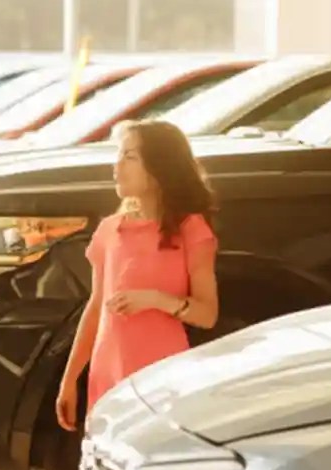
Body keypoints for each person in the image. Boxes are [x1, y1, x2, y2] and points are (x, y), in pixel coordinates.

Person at [55, 120, 219, 430]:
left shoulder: (191, 231)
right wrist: (70, 378)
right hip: (108, 377)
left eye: (130, 157)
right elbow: (95, 307)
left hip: (162, 380)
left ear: (160, 168)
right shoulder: (110, 230)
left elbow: (207, 314)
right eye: (118, 155)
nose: (116, 166)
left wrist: (155, 300)